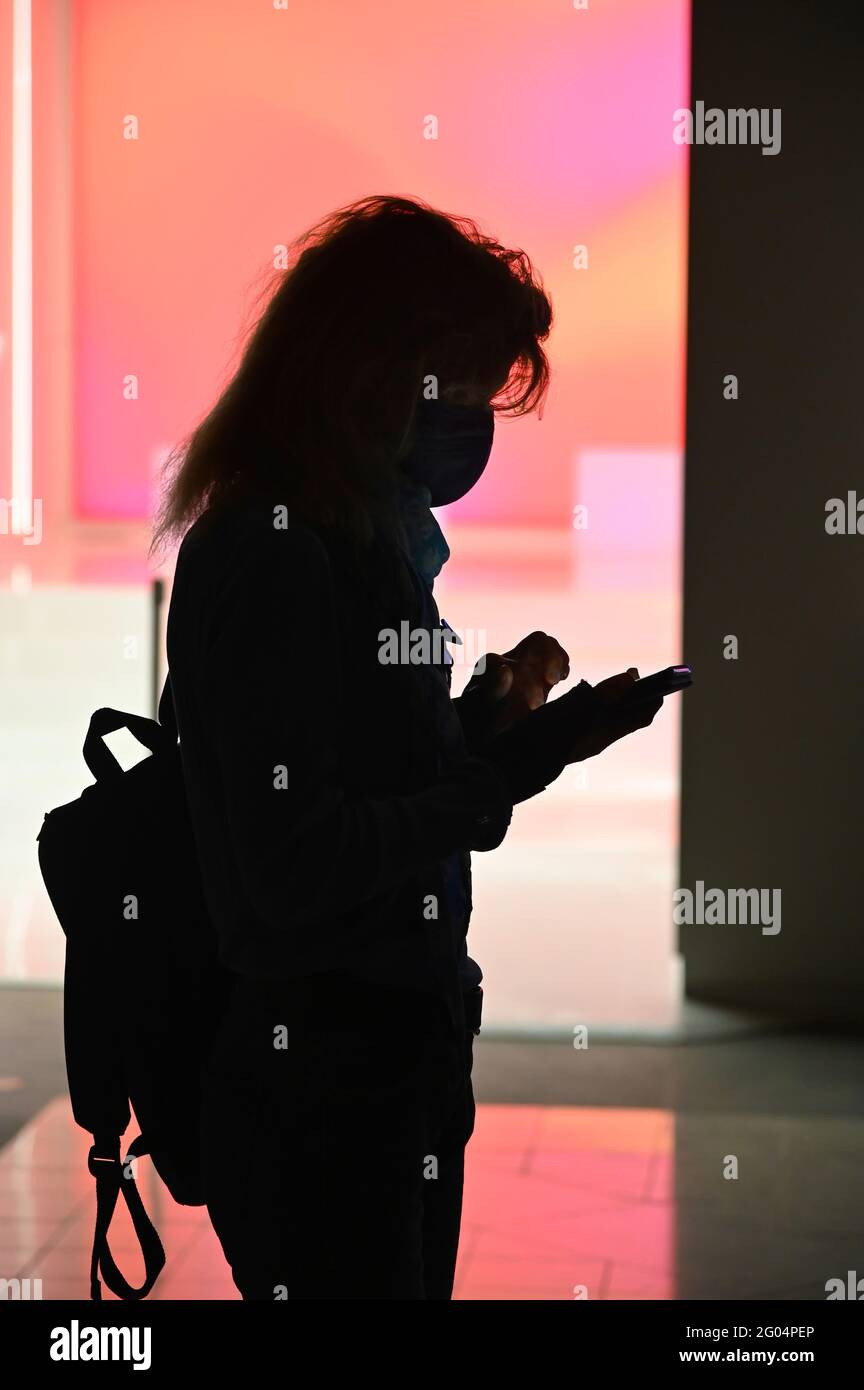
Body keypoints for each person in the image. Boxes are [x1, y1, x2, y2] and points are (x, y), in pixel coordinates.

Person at [154, 194, 663, 1300]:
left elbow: (365, 772)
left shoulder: (355, 539)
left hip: (394, 1059)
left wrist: (504, 724)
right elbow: (297, 863)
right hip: (325, 1089)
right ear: (374, 370)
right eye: (463, 391)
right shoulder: (278, 553)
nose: (472, 423)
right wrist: (500, 776)